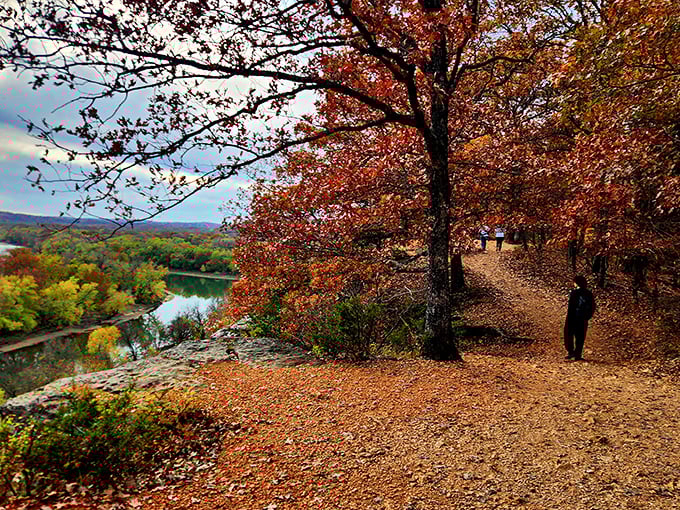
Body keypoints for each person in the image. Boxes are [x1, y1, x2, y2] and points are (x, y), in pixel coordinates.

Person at [564, 275, 595, 361]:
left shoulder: (574, 293)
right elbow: (592, 306)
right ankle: (578, 354)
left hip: (573, 317)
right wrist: (588, 316)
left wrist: (569, 317)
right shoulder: (589, 293)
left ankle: (571, 352)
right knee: (580, 336)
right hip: (583, 318)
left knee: (569, 334)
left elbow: (571, 307)